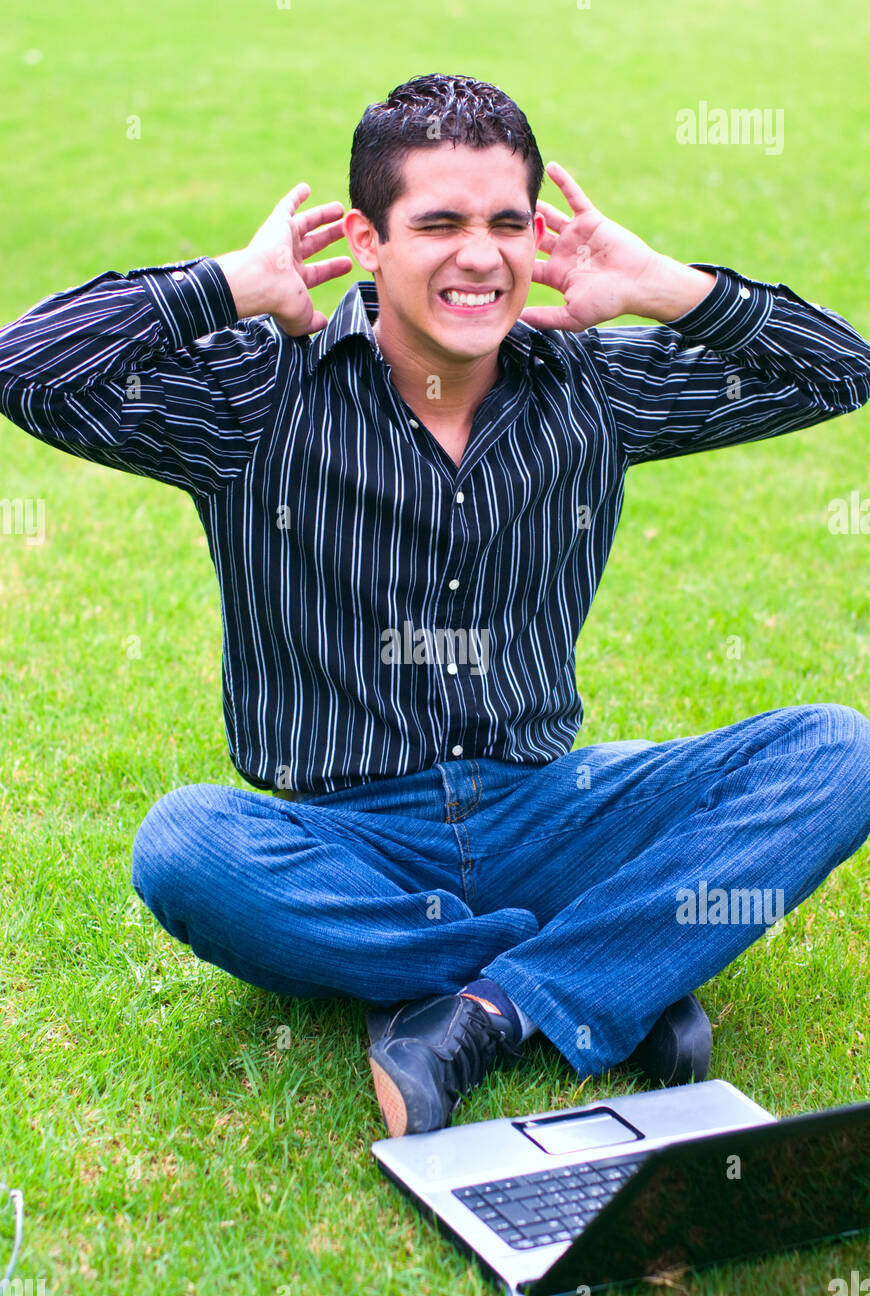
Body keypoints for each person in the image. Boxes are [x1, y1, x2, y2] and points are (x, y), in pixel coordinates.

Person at [1, 74, 868, 1140]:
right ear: (368, 241)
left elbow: (841, 372)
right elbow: (25, 371)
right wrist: (227, 282)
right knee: (187, 848)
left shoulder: (590, 388)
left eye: (507, 221)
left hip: (550, 808)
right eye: (440, 222)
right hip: (346, 835)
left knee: (840, 750)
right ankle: (599, 965)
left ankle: (493, 1008)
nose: (480, 254)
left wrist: (662, 284)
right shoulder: (256, 398)